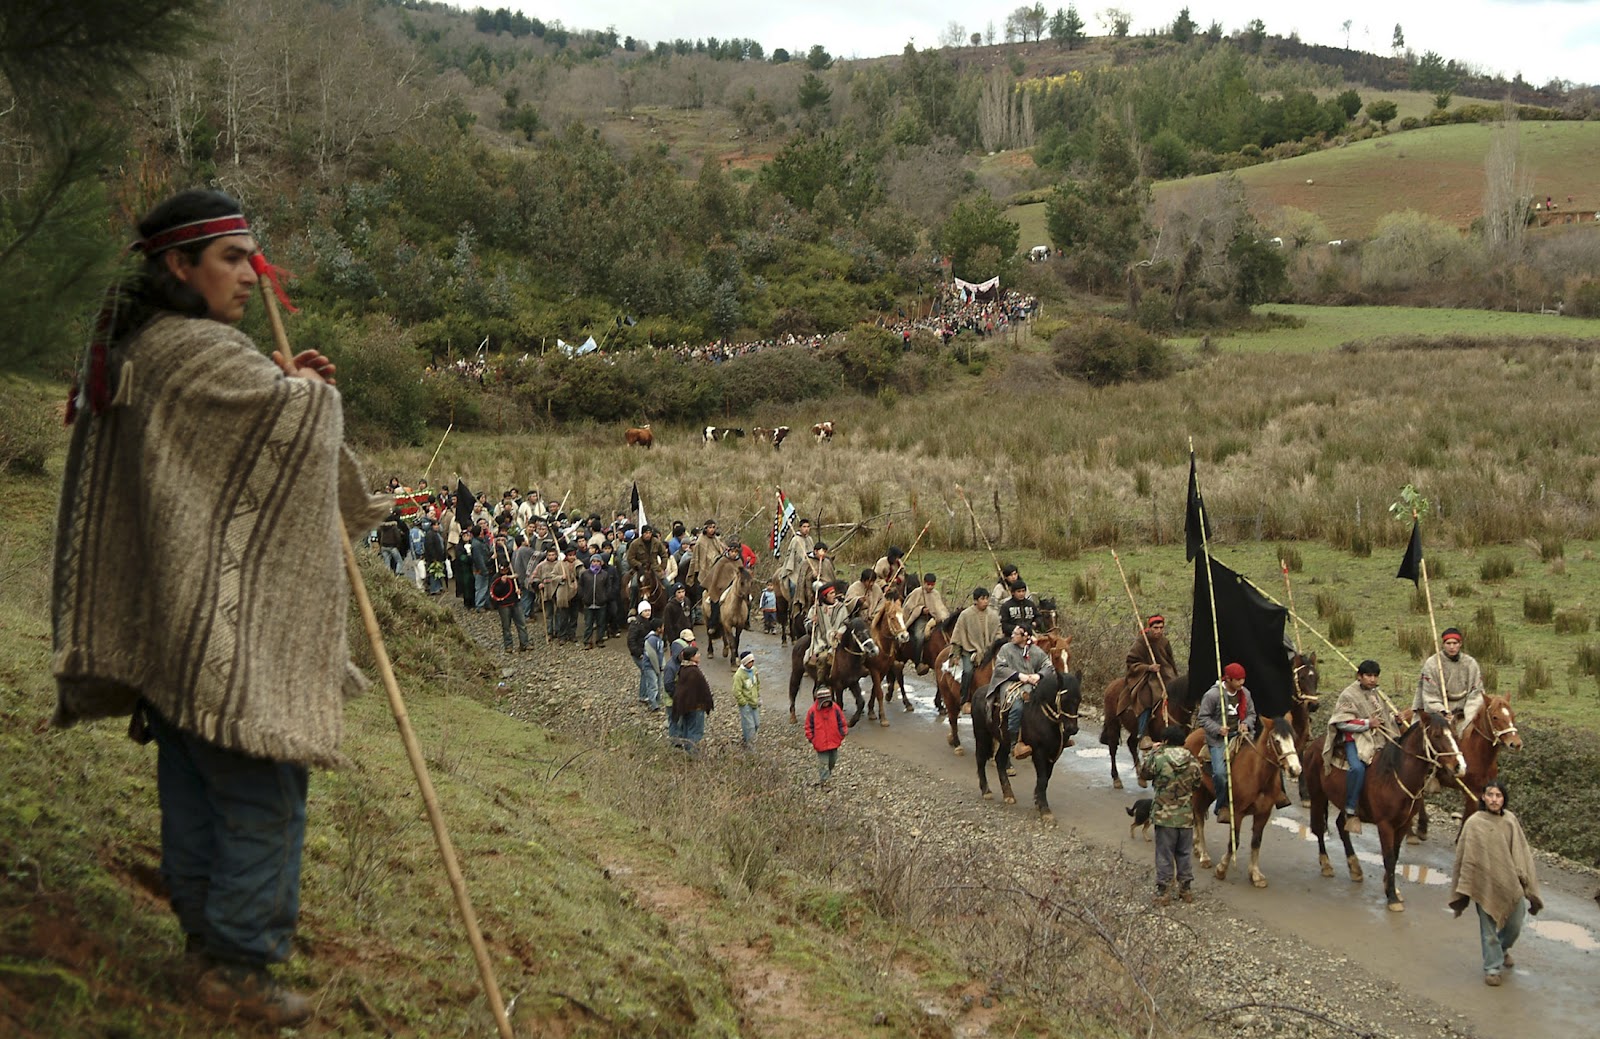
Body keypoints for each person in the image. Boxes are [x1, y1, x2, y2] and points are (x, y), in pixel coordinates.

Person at [51, 189, 391, 1027]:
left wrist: (280, 385)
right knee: (260, 796)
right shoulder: (196, 353)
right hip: (230, 643)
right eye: (231, 260)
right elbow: (292, 431)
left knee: (196, 789)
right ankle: (238, 962)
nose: (250, 278)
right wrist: (304, 395)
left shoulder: (153, 348)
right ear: (179, 264)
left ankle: (205, 945)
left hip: (179, 627)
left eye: (252, 259)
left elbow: (239, 431)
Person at [1450, 780, 1543, 986]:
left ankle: (1501, 949)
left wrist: (1525, 882)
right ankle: (1492, 968)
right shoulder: (1474, 823)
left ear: (1503, 799)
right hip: (1483, 884)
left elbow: (1521, 851)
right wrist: (1470, 881)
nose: (1494, 799)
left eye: (1498, 795)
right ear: (1483, 797)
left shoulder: (1510, 821)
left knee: (1516, 923)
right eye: (1490, 795)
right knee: (1488, 930)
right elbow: (1464, 857)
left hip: (1511, 883)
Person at [1326, 659, 1398, 835]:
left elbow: (1385, 716)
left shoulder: (1378, 694)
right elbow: (1342, 722)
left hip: (1380, 737)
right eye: (1368, 676)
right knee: (1358, 768)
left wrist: (1396, 718)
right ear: (1360, 676)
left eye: (1375, 676)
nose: (1372, 679)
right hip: (1355, 739)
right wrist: (1367, 723)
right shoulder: (1348, 694)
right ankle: (1351, 808)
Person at [1137, 724, 1204, 905]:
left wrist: (1152, 752)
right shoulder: (1192, 760)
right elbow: (1197, 783)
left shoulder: (1159, 758)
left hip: (1164, 815)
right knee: (1184, 853)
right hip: (1185, 816)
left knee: (1164, 853)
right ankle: (1186, 890)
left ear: (1165, 741)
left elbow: (1144, 773)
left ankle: (1164, 891)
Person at [1195, 663, 1256, 824]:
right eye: (1237, 680)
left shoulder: (1245, 693)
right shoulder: (1213, 695)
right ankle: (1221, 805)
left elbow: (1251, 714)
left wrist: (1246, 724)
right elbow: (1203, 717)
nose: (1241, 683)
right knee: (1221, 773)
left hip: (1241, 735)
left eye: (1243, 679)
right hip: (1218, 739)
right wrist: (1217, 729)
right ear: (1228, 679)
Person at [991, 623, 1052, 760]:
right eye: (1013, 633)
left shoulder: (1035, 651)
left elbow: (1048, 665)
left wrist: (1038, 676)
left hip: (1032, 683)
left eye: (1016, 634)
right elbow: (999, 668)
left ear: (1025, 636)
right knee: (1017, 705)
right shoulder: (1006, 649)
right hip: (1010, 683)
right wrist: (1019, 676)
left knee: (1050, 701)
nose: (1012, 635)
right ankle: (1014, 743)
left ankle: (1055, 736)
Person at [1416, 627, 1486, 738]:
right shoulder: (1432, 664)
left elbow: (1476, 693)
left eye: (1455, 643)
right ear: (1443, 644)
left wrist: (1467, 714)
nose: (1452, 647)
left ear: (1460, 644)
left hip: (1464, 713)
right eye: (1448, 643)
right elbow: (1429, 695)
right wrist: (1443, 712)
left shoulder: (1470, 663)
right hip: (1440, 713)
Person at [1127, 615, 1180, 751]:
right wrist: (1148, 667)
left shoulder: (1165, 642)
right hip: (1145, 676)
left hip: (1165, 675)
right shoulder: (1141, 642)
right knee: (1145, 697)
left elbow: (1170, 661)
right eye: (1155, 628)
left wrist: (1174, 675)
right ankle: (1143, 733)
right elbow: (1131, 662)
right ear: (1149, 628)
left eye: (1161, 628)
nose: (1158, 631)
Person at [951, 588, 1001, 709]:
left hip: (989, 650)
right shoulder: (966, 615)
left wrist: (996, 642)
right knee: (968, 671)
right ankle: (965, 699)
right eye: (982, 599)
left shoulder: (993, 615)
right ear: (975, 601)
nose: (985, 601)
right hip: (970, 650)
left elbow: (999, 631)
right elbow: (958, 634)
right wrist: (956, 654)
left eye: (986, 598)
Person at [900, 572, 951, 674]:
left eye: (932, 585)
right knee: (919, 636)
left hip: (934, 619)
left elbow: (940, 608)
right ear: (924, 583)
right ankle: (918, 662)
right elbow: (908, 607)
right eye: (928, 584)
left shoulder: (935, 594)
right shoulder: (917, 592)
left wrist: (940, 617)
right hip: (921, 619)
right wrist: (921, 609)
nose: (930, 587)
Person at [806, 580, 850, 690]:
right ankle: (821, 682)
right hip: (822, 640)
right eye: (831, 594)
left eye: (834, 593)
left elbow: (845, 622)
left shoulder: (841, 607)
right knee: (823, 657)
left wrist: (840, 632)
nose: (834, 595)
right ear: (825, 596)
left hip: (837, 640)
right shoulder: (816, 609)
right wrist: (812, 622)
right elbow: (807, 625)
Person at [670, 645, 714, 753]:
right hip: (696, 707)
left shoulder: (683, 669)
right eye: (697, 654)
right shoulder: (694, 672)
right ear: (692, 657)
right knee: (695, 733)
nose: (699, 655)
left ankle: (686, 754)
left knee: (687, 730)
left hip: (685, 707)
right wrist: (708, 703)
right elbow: (703, 690)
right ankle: (692, 756)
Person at [804, 687, 849, 785]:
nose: (826, 704)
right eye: (824, 702)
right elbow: (808, 727)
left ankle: (827, 773)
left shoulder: (835, 708)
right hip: (820, 743)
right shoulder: (812, 711)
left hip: (834, 741)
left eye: (827, 701)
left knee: (833, 760)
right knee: (823, 763)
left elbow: (842, 721)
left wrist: (842, 734)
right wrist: (812, 739)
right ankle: (824, 781)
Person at [488, 567, 531, 653]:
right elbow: (494, 592)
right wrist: (502, 583)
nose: (504, 571)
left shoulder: (513, 577)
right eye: (502, 569)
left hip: (515, 602)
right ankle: (508, 645)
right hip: (503, 605)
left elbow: (518, 586)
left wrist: (519, 591)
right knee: (506, 626)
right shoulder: (496, 578)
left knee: (522, 624)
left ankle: (525, 643)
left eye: (506, 569)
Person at [774, 517, 815, 601]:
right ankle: (793, 602)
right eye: (804, 527)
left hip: (808, 569)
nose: (806, 529)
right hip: (796, 569)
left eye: (808, 527)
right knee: (794, 585)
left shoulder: (810, 539)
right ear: (800, 528)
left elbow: (813, 552)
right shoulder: (795, 540)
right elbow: (791, 555)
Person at [577, 552, 611, 649]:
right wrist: (583, 596)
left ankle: (599, 640)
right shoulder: (585, 574)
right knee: (588, 624)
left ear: (601, 563)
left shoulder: (605, 574)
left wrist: (605, 597)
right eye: (594, 561)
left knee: (601, 623)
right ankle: (587, 641)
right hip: (588, 602)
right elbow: (580, 586)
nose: (595, 563)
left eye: (598, 561)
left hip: (601, 603)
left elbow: (608, 587)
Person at [733, 650, 761, 748]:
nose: (752, 663)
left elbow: (757, 683)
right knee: (750, 726)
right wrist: (743, 702)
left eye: (752, 661)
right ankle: (750, 747)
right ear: (745, 662)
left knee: (757, 724)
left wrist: (758, 696)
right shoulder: (739, 675)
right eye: (750, 662)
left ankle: (746, 738)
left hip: (754, 702)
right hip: (746, 704)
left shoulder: (754, 670)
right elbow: (736, 691)